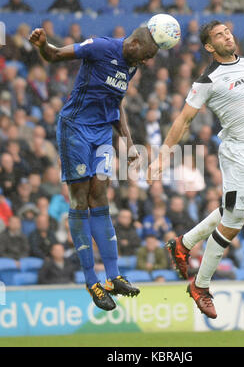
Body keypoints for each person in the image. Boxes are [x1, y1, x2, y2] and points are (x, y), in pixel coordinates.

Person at [147, 20, 244, 319]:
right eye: (219, 35)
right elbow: (184, 120)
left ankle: (183, 243)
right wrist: (163, 155)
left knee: (242, 212)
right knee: (234, 219)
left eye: (227, 31)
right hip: (237, 152)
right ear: (209, 46)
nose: (227, 36)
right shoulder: (207, 80)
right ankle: (200, 286)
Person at [29, 20, 159, 311]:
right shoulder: (99, 47)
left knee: (101, 197)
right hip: (75, 128)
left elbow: (117, 104)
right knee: (80, 200)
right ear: (135, 44)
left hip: (102, 133)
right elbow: (55, 55)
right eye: (147, 55)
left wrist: (127, 139)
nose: (148, 61)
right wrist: (42, 46)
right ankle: (92, 282)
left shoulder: (131, 65)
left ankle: (113, 277)